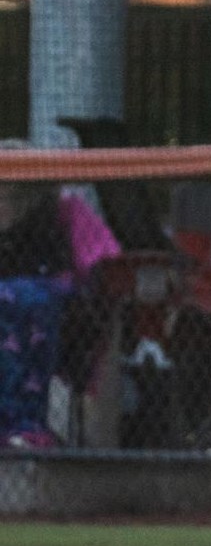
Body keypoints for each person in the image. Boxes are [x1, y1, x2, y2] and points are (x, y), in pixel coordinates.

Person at [0, 156, 120, 449]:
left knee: (23, 297)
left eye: (11, 189)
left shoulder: (66, 211)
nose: (5, 197)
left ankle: (25, 426)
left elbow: (105, 263)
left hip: (54, 300)